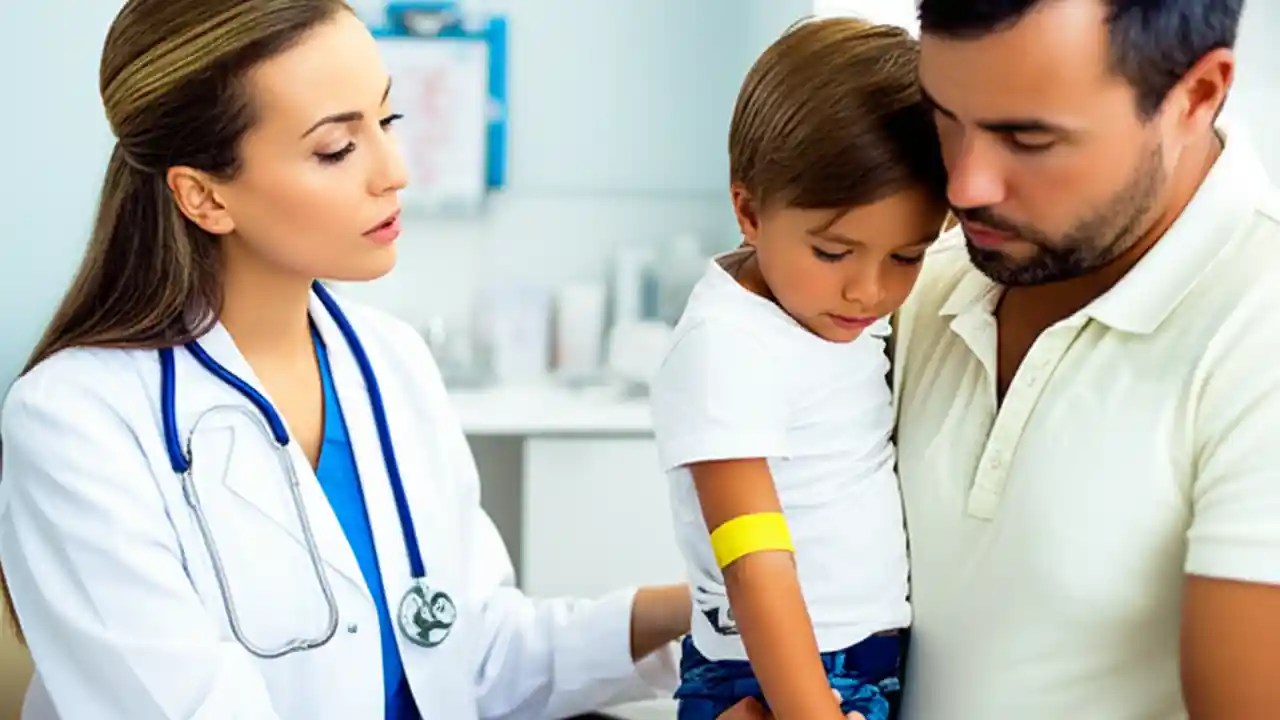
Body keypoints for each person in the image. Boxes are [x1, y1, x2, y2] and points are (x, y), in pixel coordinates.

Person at [0, 1, 694, 718]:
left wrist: (696, 610)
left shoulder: (390, 361)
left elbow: (468, 655)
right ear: (203, 196)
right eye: (336, 149)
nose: (395, 172)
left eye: (387, 121)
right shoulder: (76, 421)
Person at [892, 0, 1280, 718]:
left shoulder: (1262, 333)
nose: (965, 185)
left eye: (1028, 138)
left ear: (1196, 97)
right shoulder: (916, 282)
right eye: (944, 118)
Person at [649, 18, 948, 720]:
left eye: (906, 256)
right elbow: (751, 558)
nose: (868, 291)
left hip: (853, 659)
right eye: (833, 253)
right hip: (779, 676)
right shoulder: (728, 345)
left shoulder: (822, 308)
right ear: (749, 212)